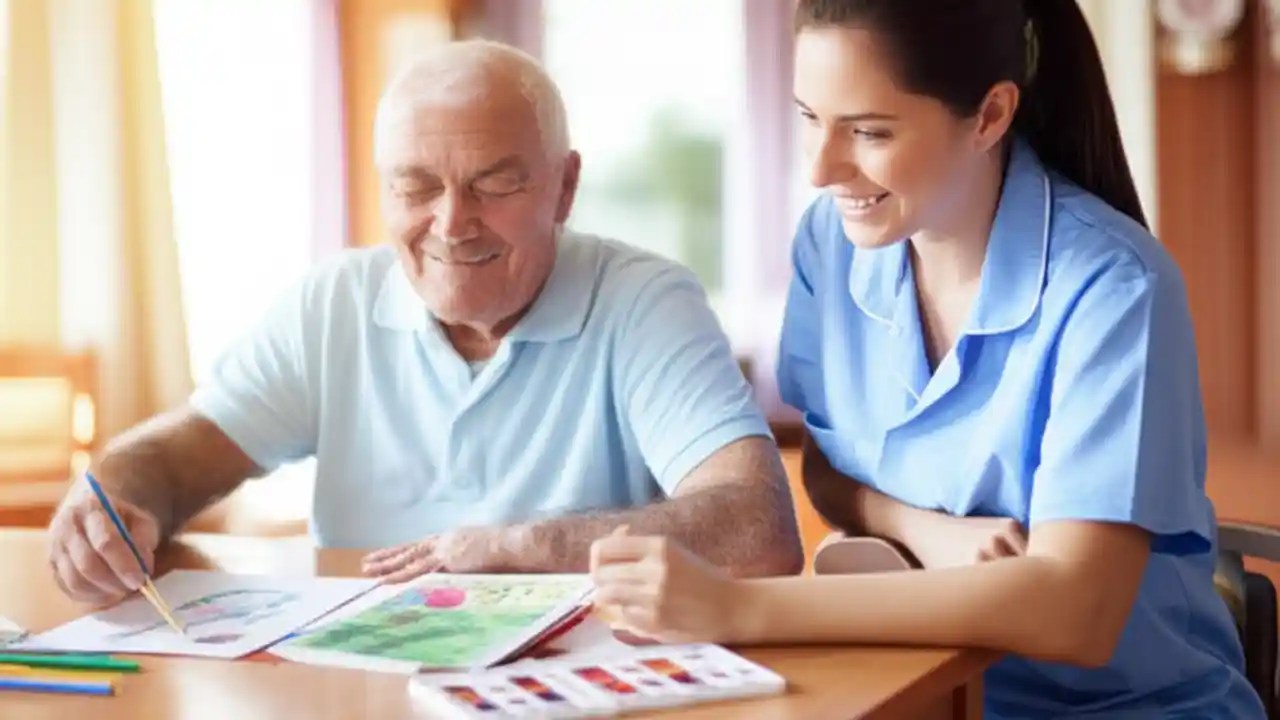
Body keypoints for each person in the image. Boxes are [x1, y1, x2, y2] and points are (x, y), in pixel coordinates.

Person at [589, 1, 1265, 717]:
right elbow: (830, 468)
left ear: (989, 116)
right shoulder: (832, 242)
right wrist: (920, 527)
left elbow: (1077, 610)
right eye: (809, 117)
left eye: (869, 131)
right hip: (921, 694)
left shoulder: (1113, 287)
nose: (820, 168)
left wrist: (741, 607)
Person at [46, 40, 803, 608]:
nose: (450, 223)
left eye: (494, 183)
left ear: (564, 186)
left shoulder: (645, 302)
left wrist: (524, 545)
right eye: (416, 186)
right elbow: (181, 455)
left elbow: (758, 529)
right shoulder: (333, 303)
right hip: (364, 675)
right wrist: (115, 499)